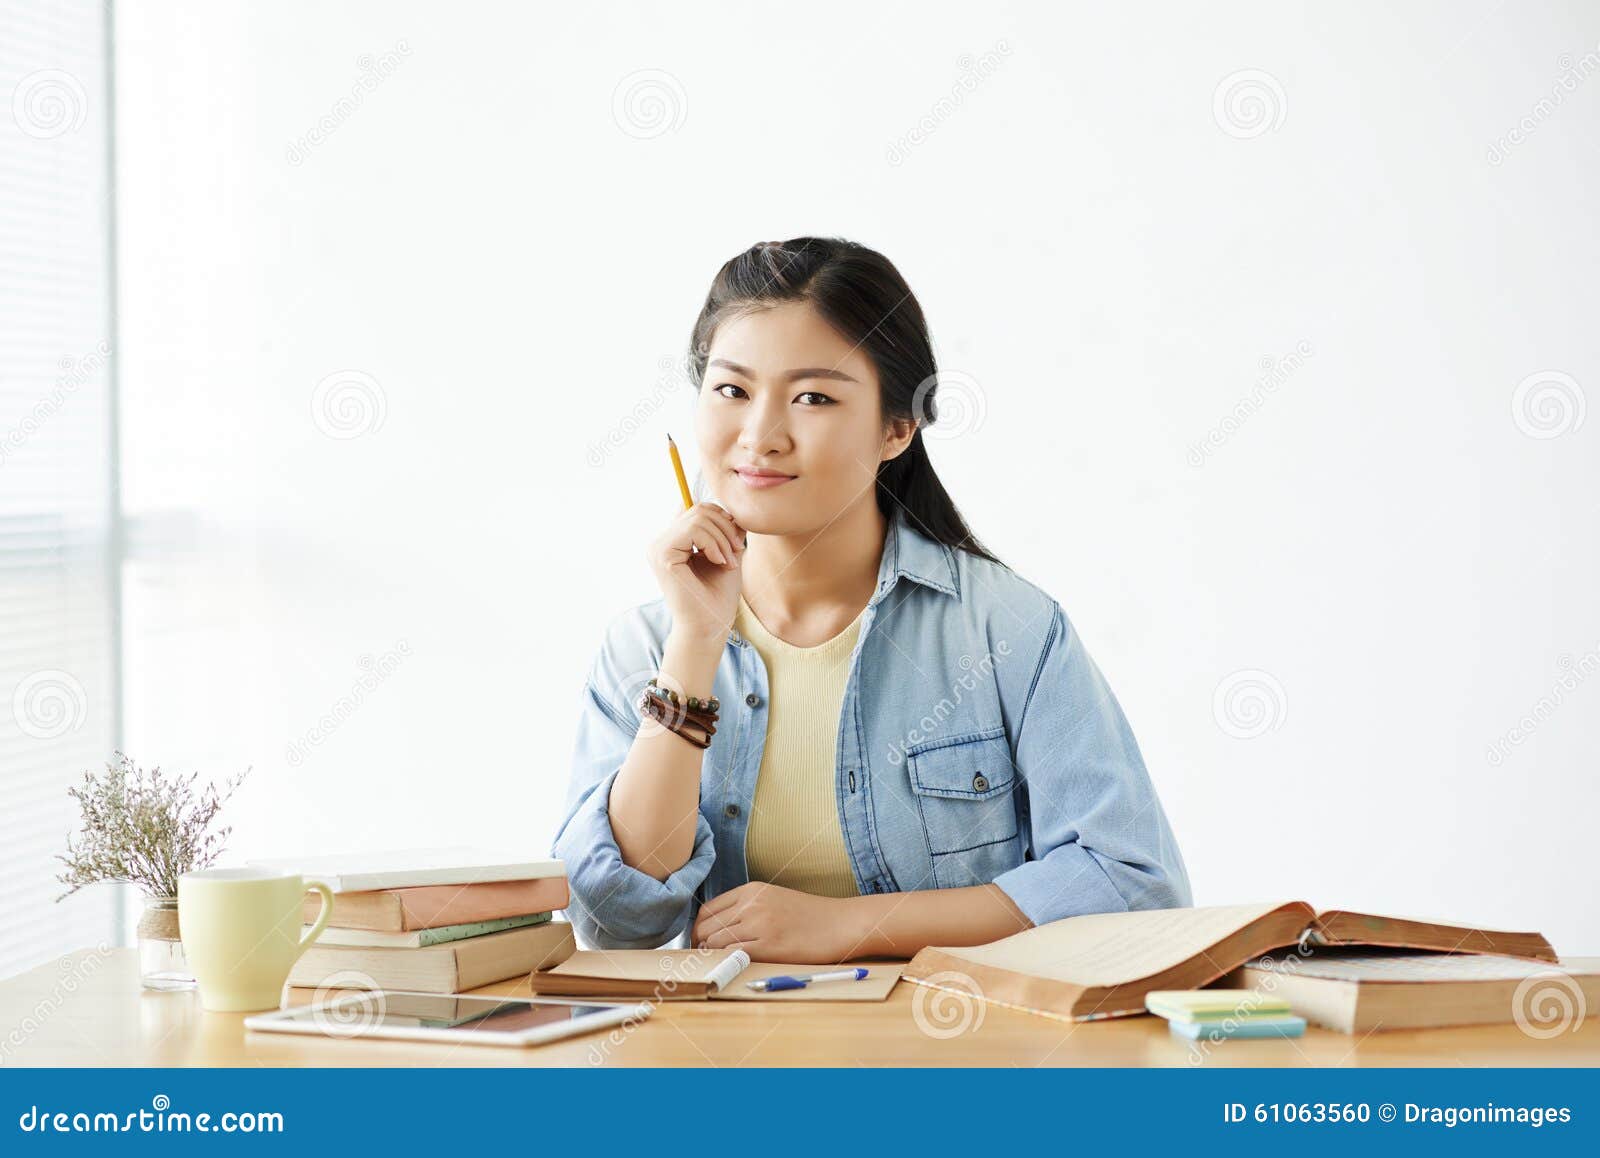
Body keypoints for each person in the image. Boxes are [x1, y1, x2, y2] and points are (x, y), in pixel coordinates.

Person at [553, 236, 1191, 963]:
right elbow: (614, 921)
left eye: (813, 397)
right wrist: (695, 646)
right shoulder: (646, 649)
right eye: (732, 390)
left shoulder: (1005, 628)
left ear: (897, 428)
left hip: (953, 1057)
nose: (759, 436)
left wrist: (848, 926)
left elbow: (1133, 884)